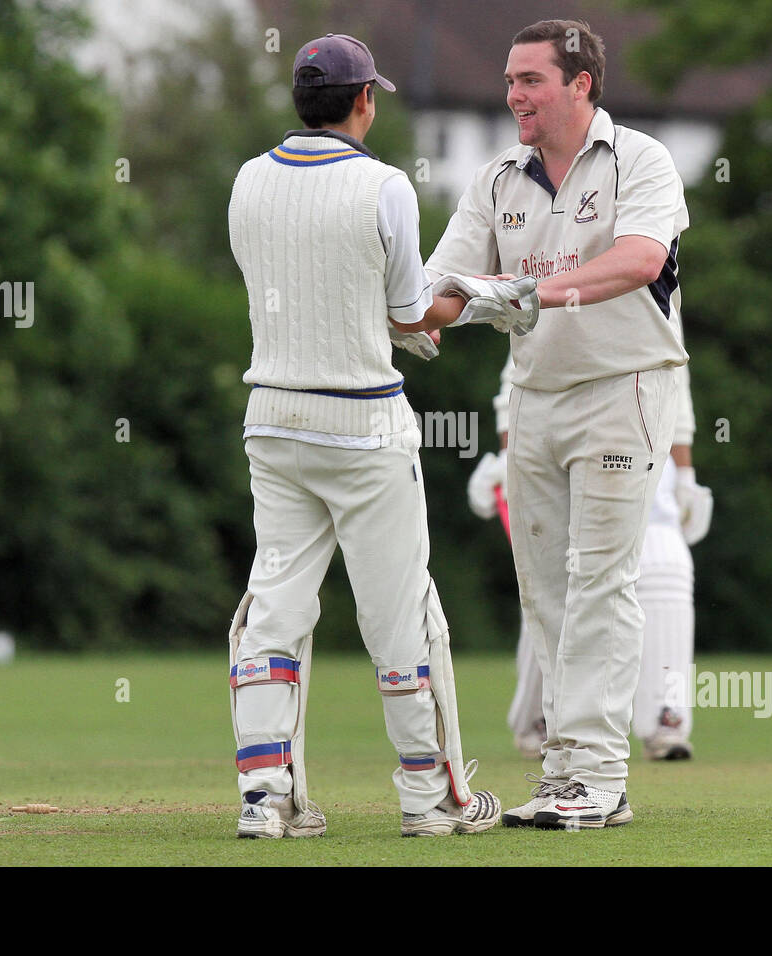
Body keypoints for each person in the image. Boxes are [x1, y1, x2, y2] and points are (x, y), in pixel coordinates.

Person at [225, 33, 532, 839]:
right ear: (364, 101)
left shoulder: (249, 181)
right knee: (403, 616)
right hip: (362, 426)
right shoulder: (384, 186)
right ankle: (430, 798)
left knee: (276, 606)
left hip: (273, 420)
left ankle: (266, 794)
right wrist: (493, 296)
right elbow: (408, 316)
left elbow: (300, 294)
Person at [426, 19, 690, 829]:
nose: (513, 96)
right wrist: (402, 313)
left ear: (581, 84)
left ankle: (598, 776)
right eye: (509, 81)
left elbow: (641, 259)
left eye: (530, 80)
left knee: (602, 581)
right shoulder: (499, 176)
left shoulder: (640, 160)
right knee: (545, 594)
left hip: (622, 390)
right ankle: (566, 771)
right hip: (535, 397)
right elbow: (443, 287)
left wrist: (530, 292)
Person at [470, 339, 712, 764]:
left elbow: (675, 374)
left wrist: (685, 472)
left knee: (663, 557)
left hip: (637, 427)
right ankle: (544, 717)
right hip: (557, 436)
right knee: (559, 569)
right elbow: (522, 370)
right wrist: (510, 454)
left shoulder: (655, 274)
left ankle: (664, 716)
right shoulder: (552, 274)